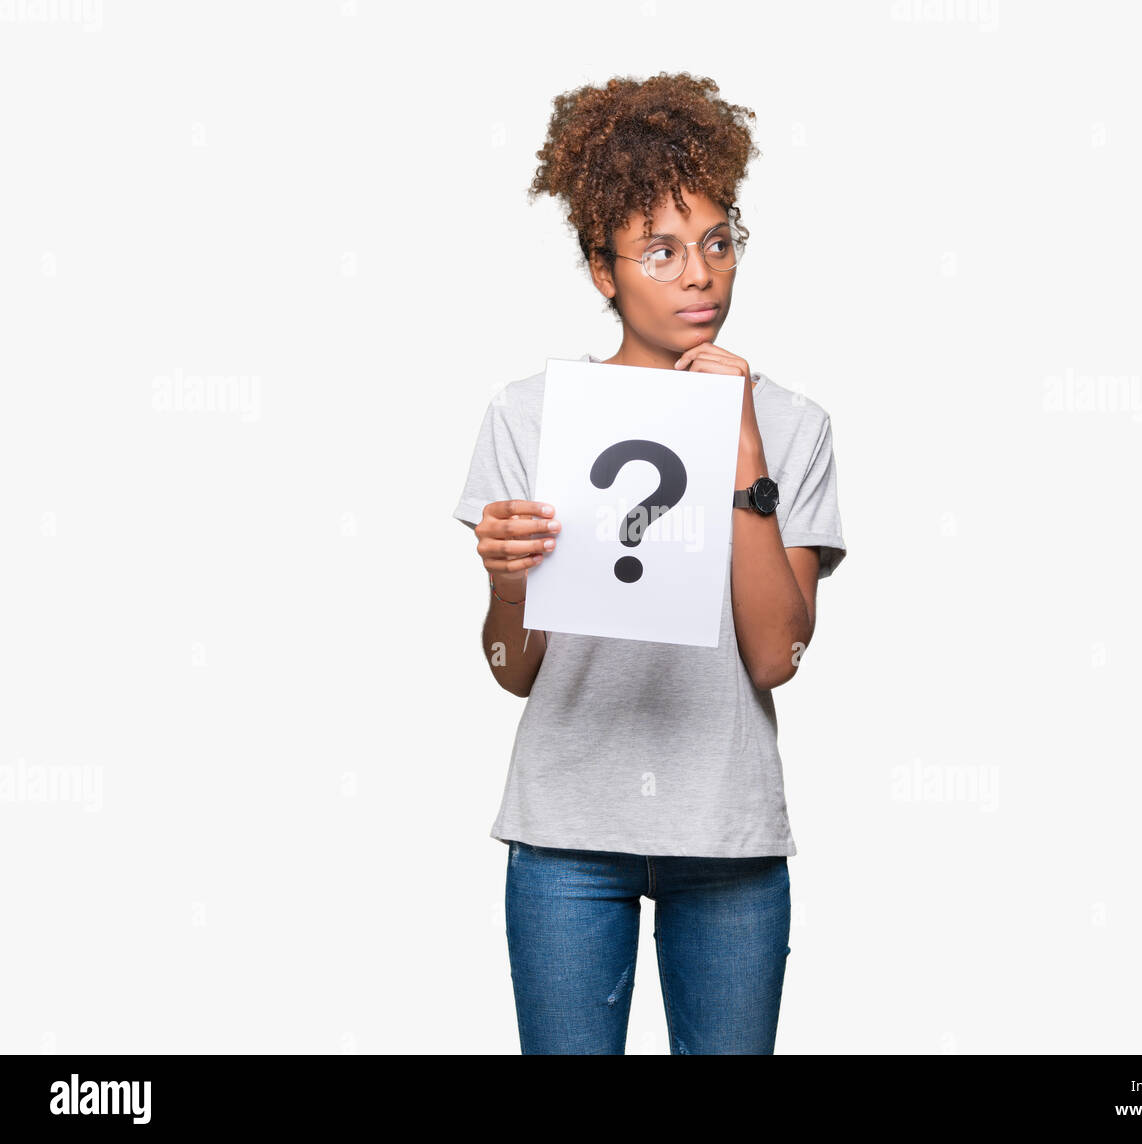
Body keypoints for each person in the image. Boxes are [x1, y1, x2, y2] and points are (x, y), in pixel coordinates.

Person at [451, 72, 846, 1054]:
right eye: (660, 251)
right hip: (566, 832)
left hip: (726, 831)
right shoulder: (529, 415)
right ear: (602, 270)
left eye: (718, 242)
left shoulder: (793, 424)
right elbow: (514, 670)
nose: (700, 274)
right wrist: (508, 586)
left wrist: (742, 452)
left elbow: (774, 655)